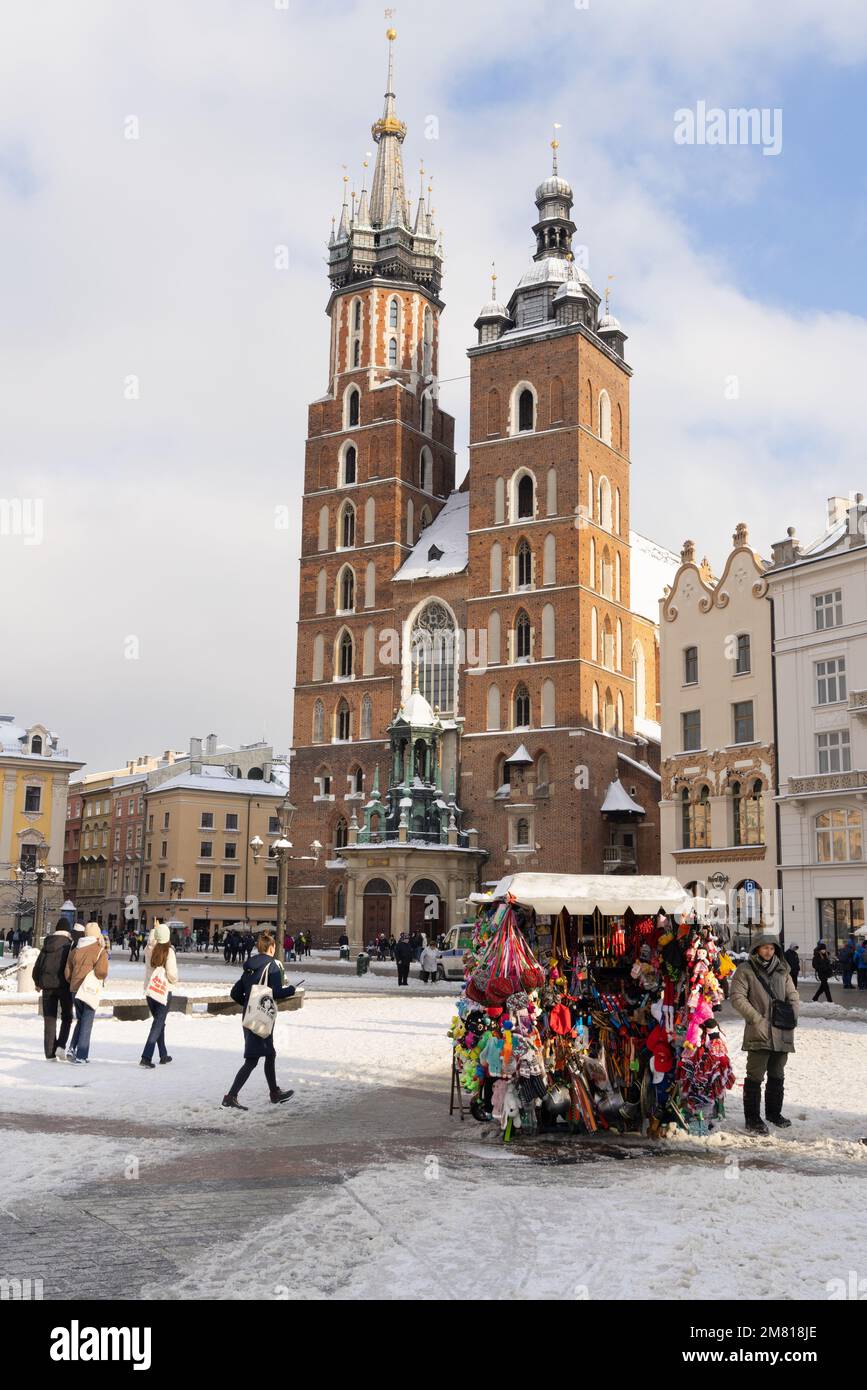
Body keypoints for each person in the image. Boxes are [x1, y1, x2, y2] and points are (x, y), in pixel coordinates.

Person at [730, 933, 800, 1135]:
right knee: (755, 1076)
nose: (768, 952)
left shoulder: (782, 970)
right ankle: (752, 1118)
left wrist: (792, 1015)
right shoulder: (745, 970)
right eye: (764, 948)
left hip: (782, 1030)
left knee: (777, 1074)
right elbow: (737, 998)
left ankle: (773, 1113)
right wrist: (756, 1019)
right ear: (757, 949)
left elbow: (793, 995)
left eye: (772, 948)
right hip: (759, 1030)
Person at [221, 932, 295, 1110]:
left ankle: (274, 1092)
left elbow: (235, 993)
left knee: (269, 1053)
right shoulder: (273, 966)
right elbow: (276, 992)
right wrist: (291, 989)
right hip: (263, 1017)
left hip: (250, 1015)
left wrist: (249, 1004)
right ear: (271, 948)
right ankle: (230, 1097)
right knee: (252, 1060)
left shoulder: (249, 967)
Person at [64, 921, 109, 1064]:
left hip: (74, 990)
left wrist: (73, 981)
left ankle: (72, 1048)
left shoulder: (75, 949)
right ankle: (81, 1055)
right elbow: (102, 972)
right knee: (87, 1022)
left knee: (81, 1020)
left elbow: (67, 972)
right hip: (89, 990)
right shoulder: (99, 949)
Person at [33, 919, 75, 1059]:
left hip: (47, 986)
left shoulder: (47, 944)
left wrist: (37, 982)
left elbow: (38, 966)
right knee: (67, 1017)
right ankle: (61, 1045)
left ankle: (49, 1053)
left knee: (49, 1019)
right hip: (64, 986)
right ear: (67, 930)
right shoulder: (69, 945)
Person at [140, 922, 179, 1068]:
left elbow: (151, 941)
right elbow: (172, 975)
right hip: (163, 991)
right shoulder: (169, 952)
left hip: (150, 991)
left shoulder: (148, 949)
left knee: (159, 1022)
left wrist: (154, 930)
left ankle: (163, 1055)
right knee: (158, 1024)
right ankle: (146, 1056)